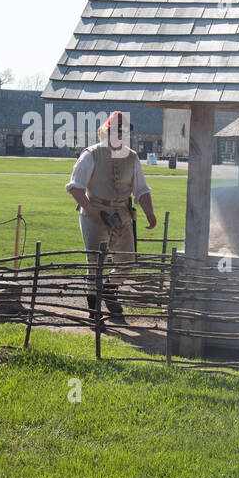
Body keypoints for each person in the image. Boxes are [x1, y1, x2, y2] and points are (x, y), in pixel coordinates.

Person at [65, 111, 157, 322]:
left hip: (123, 215)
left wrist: (149, 212)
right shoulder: (91, 154)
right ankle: (94, 312)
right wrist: (91, 209)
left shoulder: (132, 156)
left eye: (124, 131)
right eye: (117, 130)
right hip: (94, 214)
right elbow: (75, 187)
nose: (121, 135)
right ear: (107, 132)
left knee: (127, 262)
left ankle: (109, 289)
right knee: (95, 263)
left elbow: (141, 189)